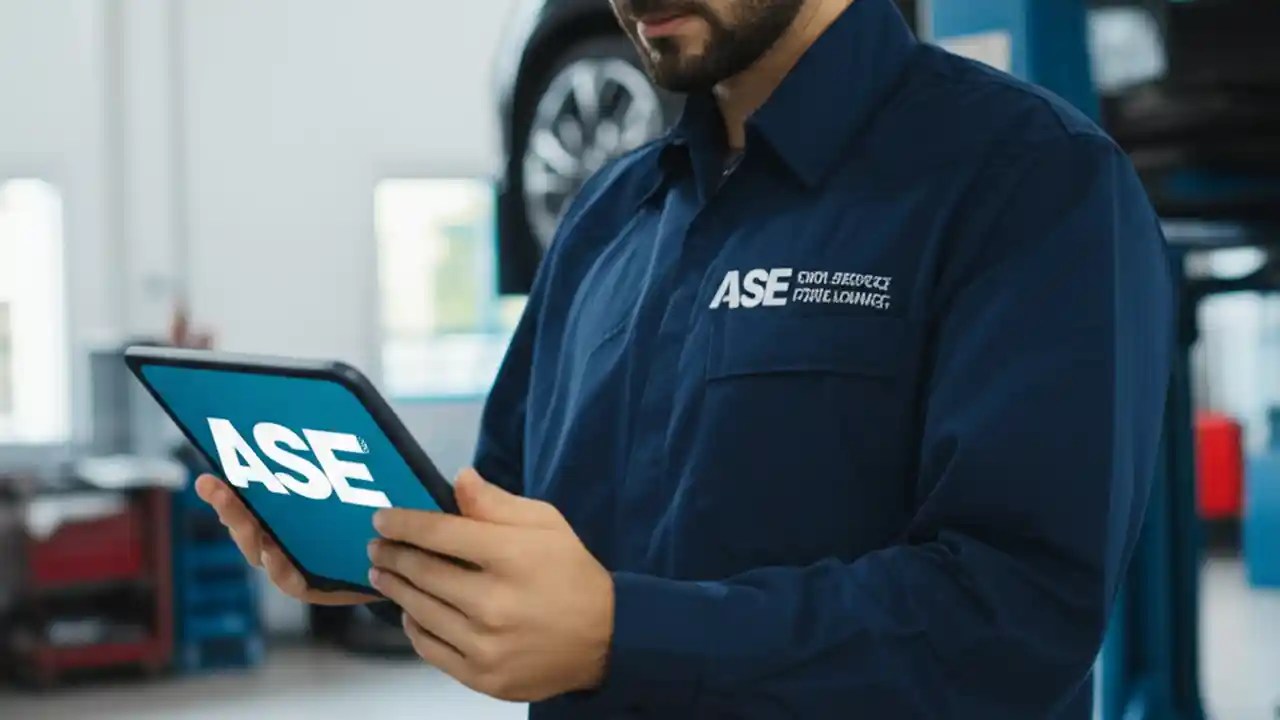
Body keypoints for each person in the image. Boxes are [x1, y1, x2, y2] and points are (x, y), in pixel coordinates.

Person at [195, 0, 1175, 716]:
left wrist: (621, 634)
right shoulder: (605, 218)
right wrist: (376, 554)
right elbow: (505, 508)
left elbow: (1011, 619)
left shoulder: (1026, 180)